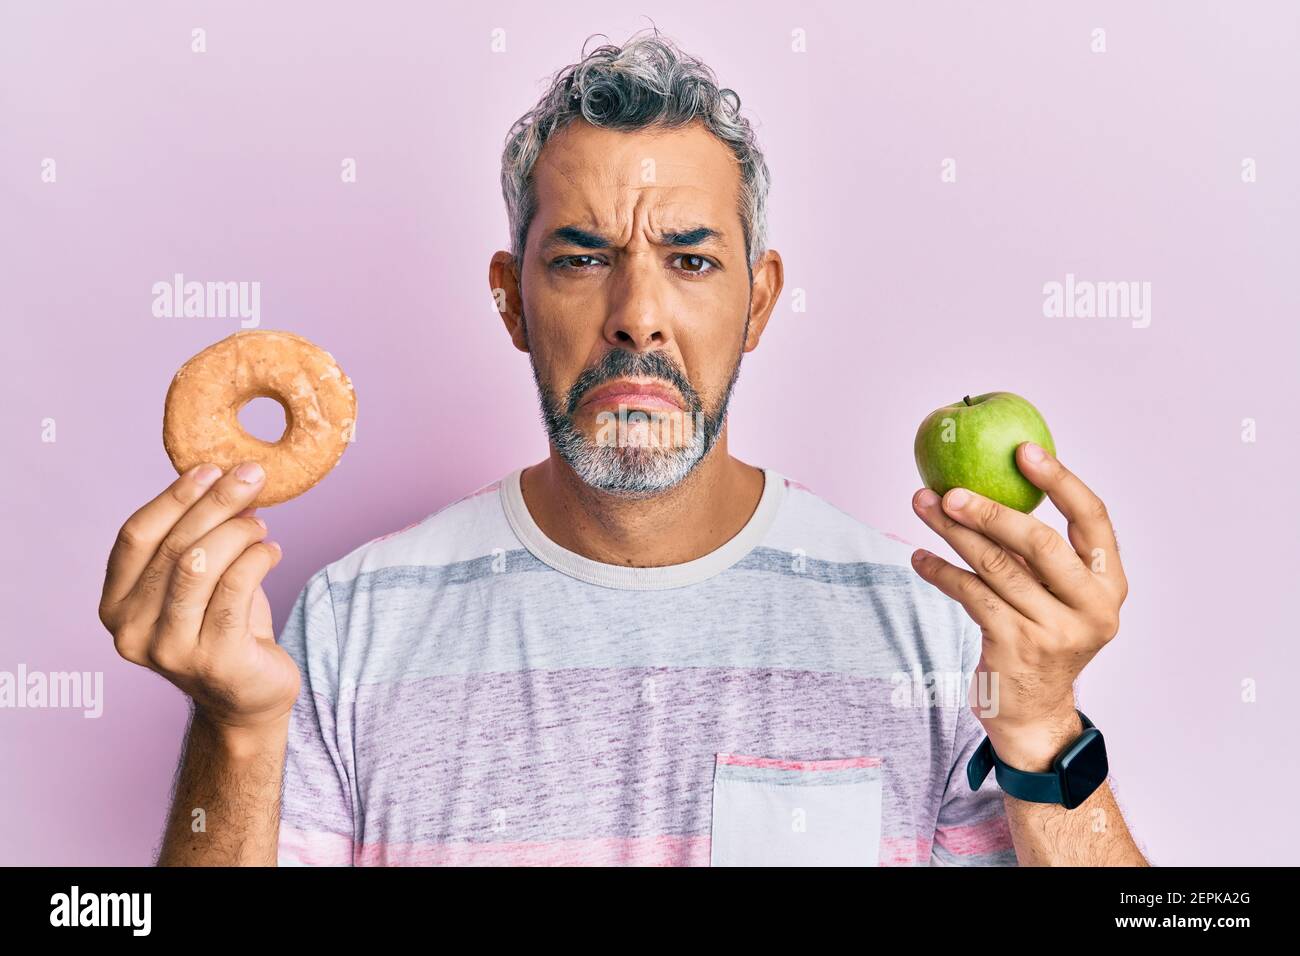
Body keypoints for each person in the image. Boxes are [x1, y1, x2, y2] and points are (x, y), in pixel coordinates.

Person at [99, 28, 1146, 866]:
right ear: (511, 300)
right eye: (582, 257)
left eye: (689, 260)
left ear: (758, 300)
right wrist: (235, 731)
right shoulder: (351, 621)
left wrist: (1045, 723)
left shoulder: (932, 628)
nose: (637, 315)